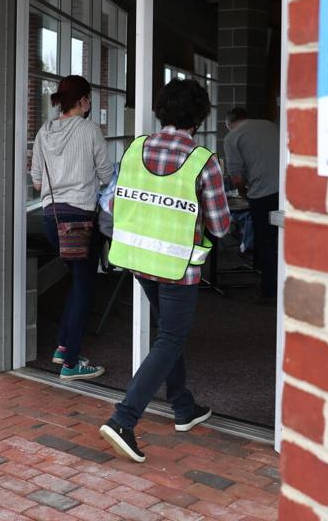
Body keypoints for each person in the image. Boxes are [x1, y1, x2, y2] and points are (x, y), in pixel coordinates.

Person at [99, 78, 230, 463]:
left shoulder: (135, 149)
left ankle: (182, 405)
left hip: (138, 260)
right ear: (199, 118)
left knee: (169, 334)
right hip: (176, 267)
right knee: (171, 337)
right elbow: (221, 226)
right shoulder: (203, 161)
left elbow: (111, 204)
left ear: (161, 112)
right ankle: (123, 419)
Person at [29, 75, 113, 381]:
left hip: (51, 218)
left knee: (77, 282)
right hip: (80, 219)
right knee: (84, 286)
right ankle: (71, 362)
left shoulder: (44, 131)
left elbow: (37, 181)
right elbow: (106, 175)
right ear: (83, 100)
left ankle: (64, 347)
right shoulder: (89, 130)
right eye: (89, 98)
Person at [223, 107, 281, 302]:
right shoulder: (271, 126)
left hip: (263, 193)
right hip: (287, 189)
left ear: (229, 124)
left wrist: (243, 193)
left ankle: (268, 292)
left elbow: (237, 177)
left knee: (266, 242)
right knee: (282, 239)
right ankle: (282, 283)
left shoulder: (232, 137)